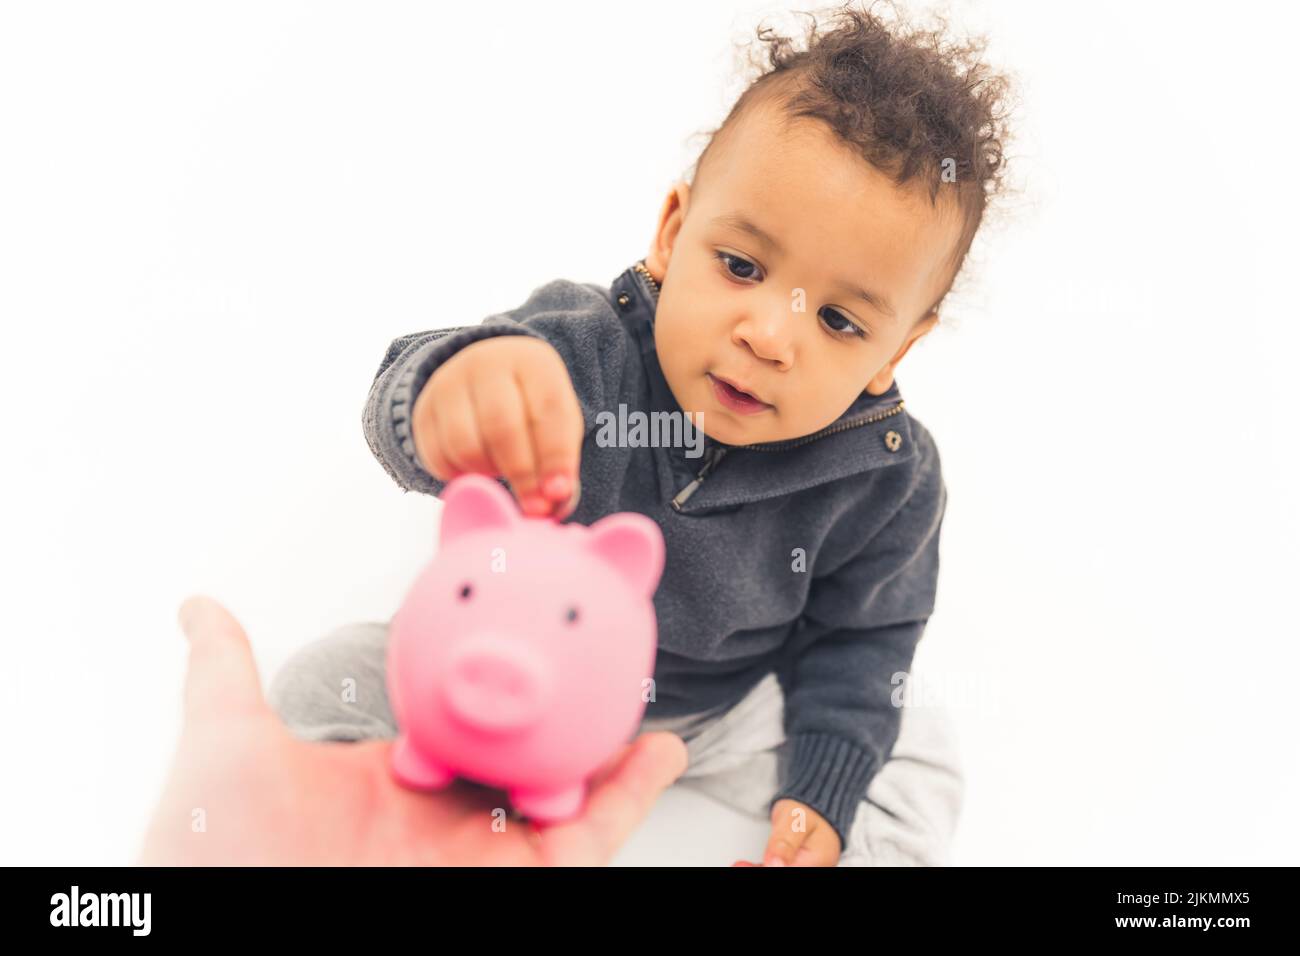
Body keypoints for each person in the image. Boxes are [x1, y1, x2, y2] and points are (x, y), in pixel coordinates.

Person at [270, 2, 1009, 866]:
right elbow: (414, 396)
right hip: (506, 672)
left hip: (718, 716)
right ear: (672, 233)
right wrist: (447, 392)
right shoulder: (576, 350)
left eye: (841, 320)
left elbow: (862, 639)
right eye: (741, 266)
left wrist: (823, 791)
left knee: (913, 742)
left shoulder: (886, 478)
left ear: (899, 349)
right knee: (321, 682)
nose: (770, 337)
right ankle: (385, 832)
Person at [136, 596, 689, 866]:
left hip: (687, 713)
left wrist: (784, 805)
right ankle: (342, 768)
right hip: (429, 678)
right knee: (329, 674)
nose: (772, 359)